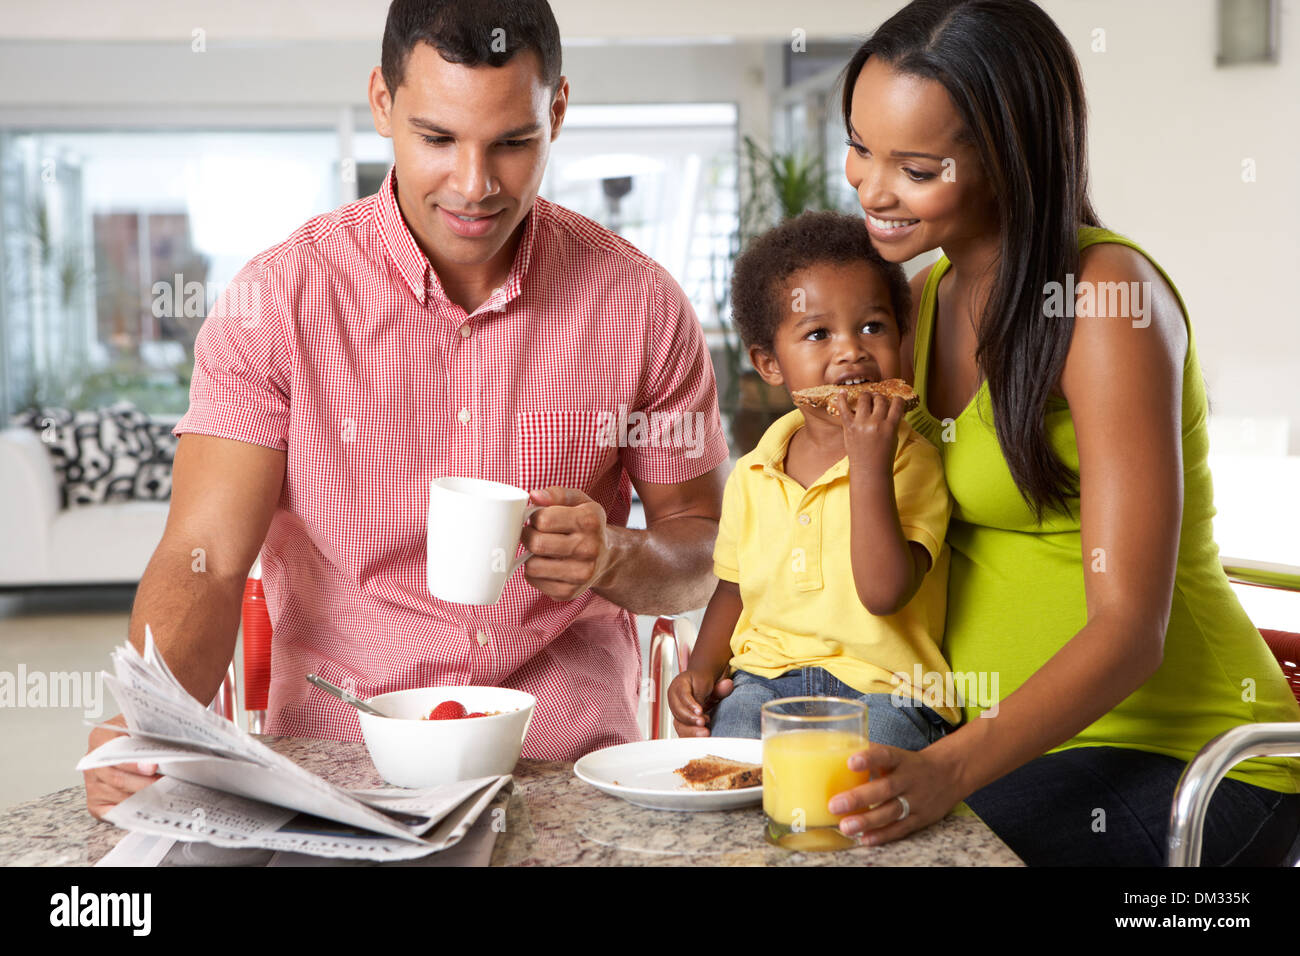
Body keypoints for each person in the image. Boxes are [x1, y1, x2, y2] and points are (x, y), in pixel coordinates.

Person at [82, 0, 729, 820]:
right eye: (437, 138)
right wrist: (149, 719)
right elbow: (204, 553)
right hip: (336, 765)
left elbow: (706, 548)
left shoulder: (641, 304)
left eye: (513, 142)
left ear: (557, 111)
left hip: (569, 768)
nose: (474, 185)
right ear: (382, 105)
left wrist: (617, 555)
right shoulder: (277, 302)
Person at [824, 0, 1300, 865]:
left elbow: (1129, 631)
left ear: (1009, 158)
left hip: (1184, 759)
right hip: (1013, 750)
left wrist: (946, 771)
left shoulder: (1104, 300)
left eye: (916, 167)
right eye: (860, 146)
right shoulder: (927, 298)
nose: (870, 187)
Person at [668, 211, 958, 750]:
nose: (851, 350)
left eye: (873, 327)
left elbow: (885, 593)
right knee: (722, 758)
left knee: (864, 784)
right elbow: (734, 588)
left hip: (888, 691)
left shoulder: (910, 460)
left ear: (903, 336)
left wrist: (869, 463)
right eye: (818, 333)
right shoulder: (754, 471)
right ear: (769, 364)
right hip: (765, 685)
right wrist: (702, 670)